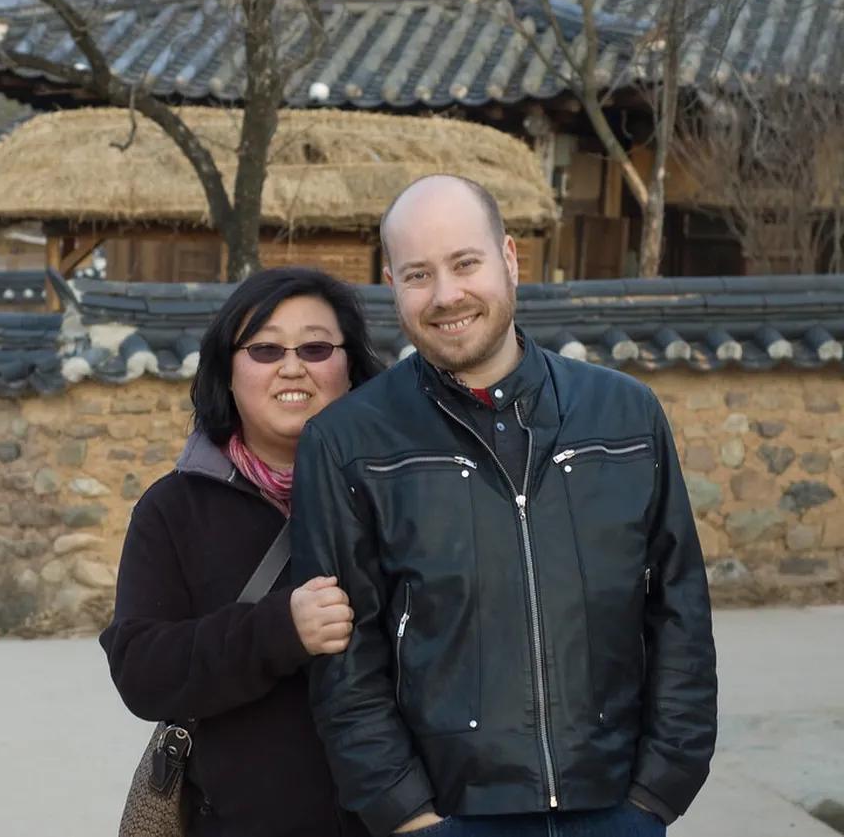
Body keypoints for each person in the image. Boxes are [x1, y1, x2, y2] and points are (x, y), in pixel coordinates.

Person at [290, 175, 717, 837]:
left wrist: (658, 790)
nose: (446, 295)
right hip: (450, 812)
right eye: (418, 273)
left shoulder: (626, 415)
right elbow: (345, 659)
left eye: (465, 263)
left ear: (510, 258)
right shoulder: (348, 443)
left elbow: (680, 608)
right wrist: (405, 812)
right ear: (391, 281)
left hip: (616, 808)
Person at [101, 267, 383, 836]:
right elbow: (141, 670)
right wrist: (278, 630)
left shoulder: (398, 494)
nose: (292, 366)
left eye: (316, 346)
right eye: (265, 349)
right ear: (227, 371)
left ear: (350, 368)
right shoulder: (173, 509)